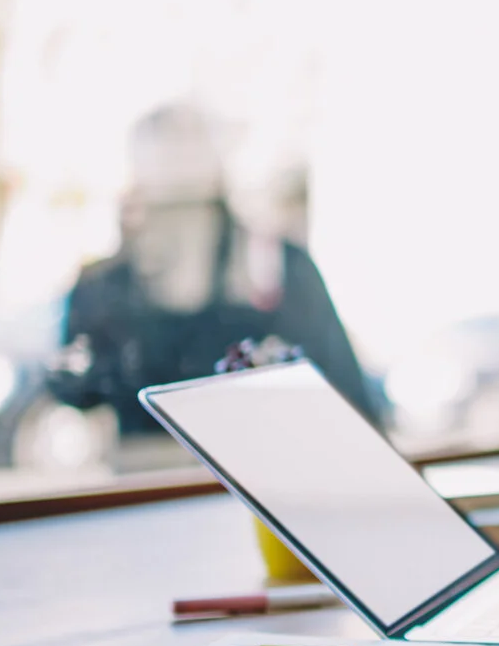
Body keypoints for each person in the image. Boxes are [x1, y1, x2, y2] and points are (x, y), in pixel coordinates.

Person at [50, 104, 379, 435]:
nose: (178, 233)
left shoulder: (278, 272)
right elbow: (74, 389)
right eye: (168, 209)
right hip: (145, 480)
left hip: (251, 475)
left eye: (193, 210)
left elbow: (346, 397)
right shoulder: (105, 288)